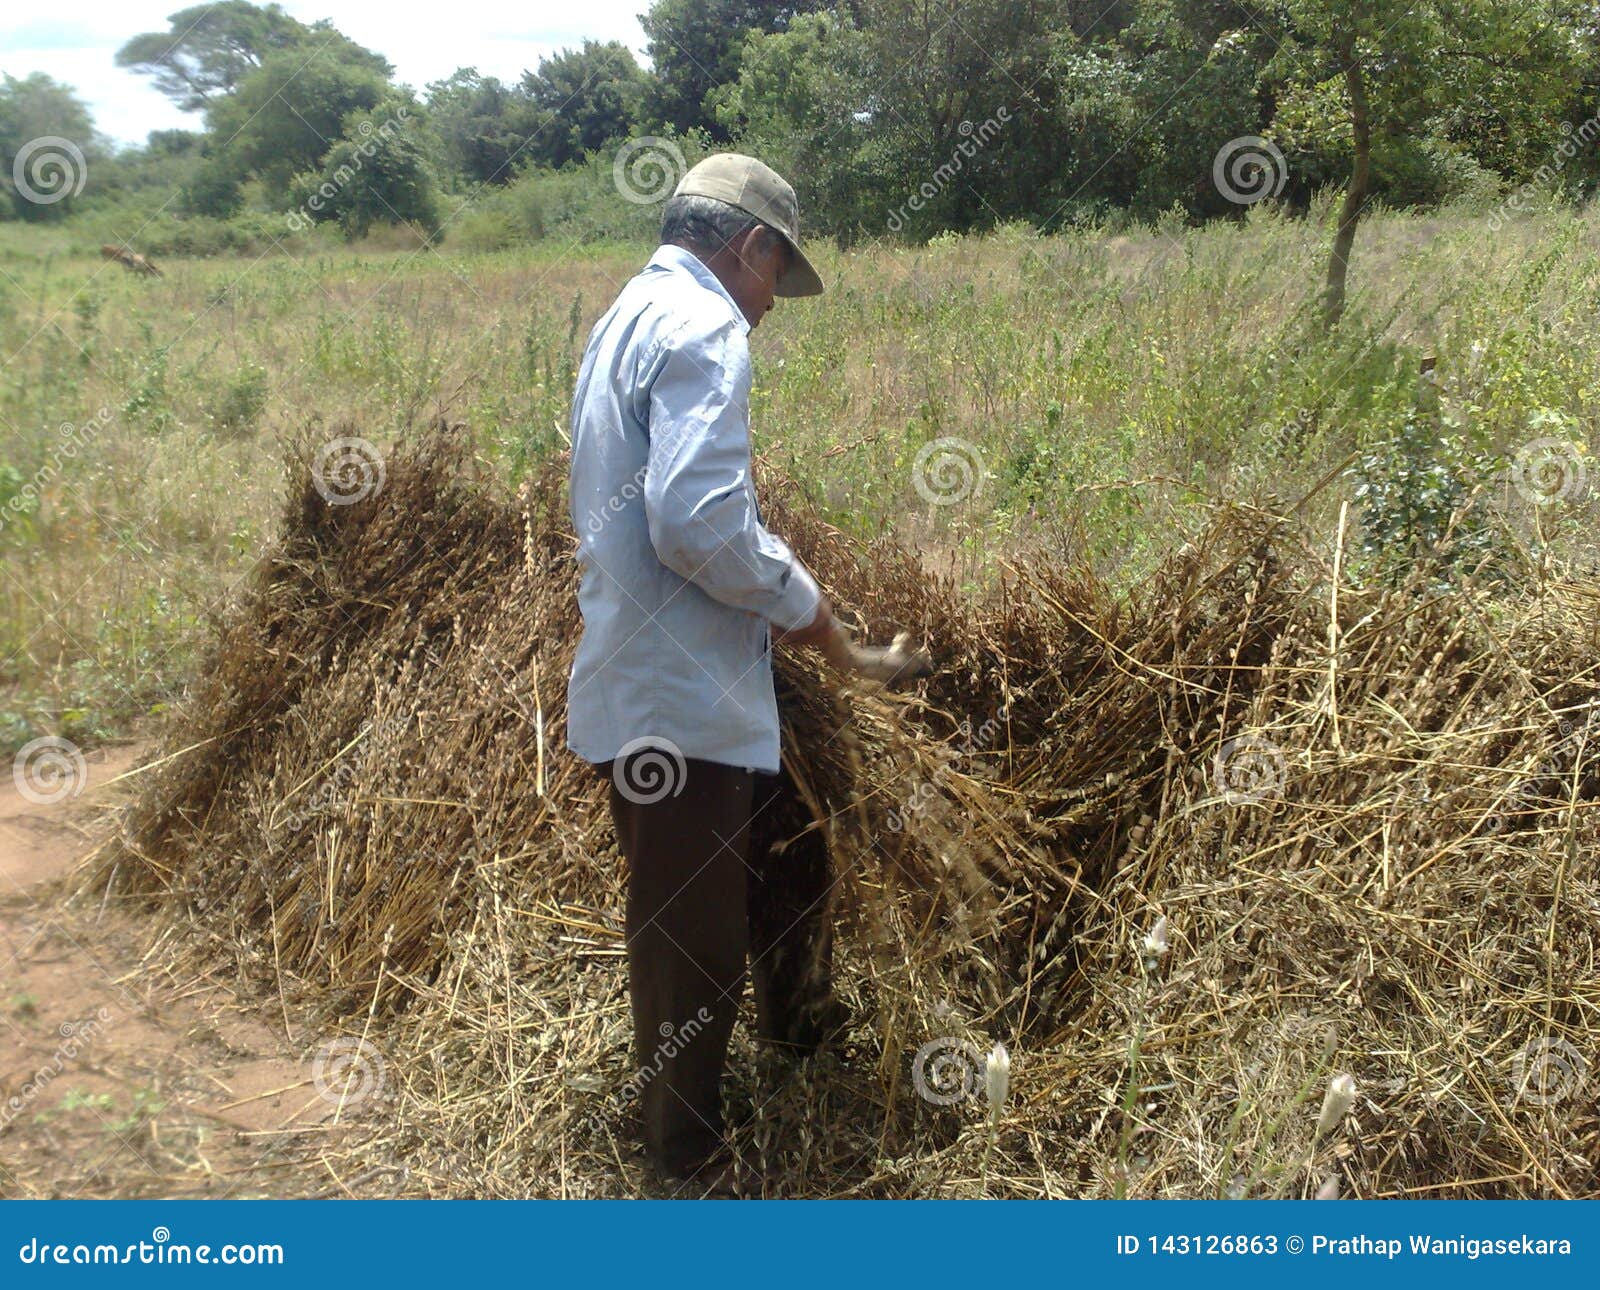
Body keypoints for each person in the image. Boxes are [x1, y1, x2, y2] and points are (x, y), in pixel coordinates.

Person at [565, 154, 845, 1194]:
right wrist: (800, 603)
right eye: (777, 276)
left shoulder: (625, 316)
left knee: (777, 859)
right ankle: (686, 1164)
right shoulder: (705, 325)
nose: (772, 306)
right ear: (751, 247)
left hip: (653, 673)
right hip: (676, 698)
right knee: (692, 938)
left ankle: (800, 1036)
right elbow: (694, 522)